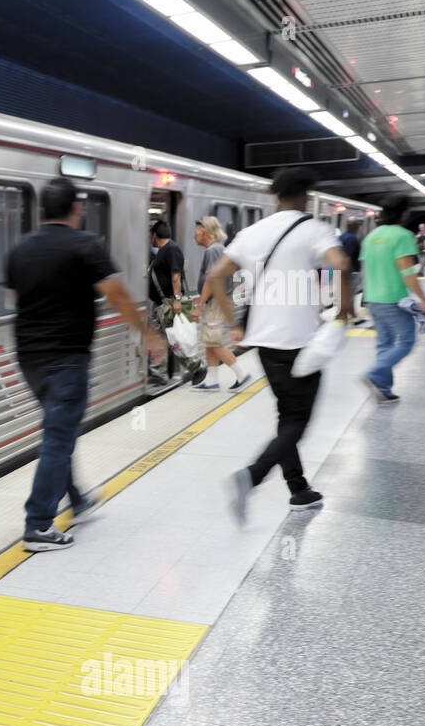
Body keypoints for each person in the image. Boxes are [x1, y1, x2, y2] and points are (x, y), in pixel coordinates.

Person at [7, 178, 165, 551]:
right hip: (68, 358)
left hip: (29, 359)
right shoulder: (86, 246)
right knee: (59, 437)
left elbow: (15, 297)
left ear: (42, 210)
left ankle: (76, 499)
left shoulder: (19, 250)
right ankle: (38, 524)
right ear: (75, 210)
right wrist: (147, 333)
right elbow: (118, 295)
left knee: (58, 430)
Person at [202, 167, 353, 521]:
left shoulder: (252, 232)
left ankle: (299, 490)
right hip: (301, 342)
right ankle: (251, 476)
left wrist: (234, 323)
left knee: (288, 415)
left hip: (265, 345)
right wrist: (345, 308)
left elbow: (214, 275)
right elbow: (341, 264)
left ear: (276, 196)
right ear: (305, 197)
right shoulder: (315, 229)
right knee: (298, 420)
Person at [360, 195, 425, 404]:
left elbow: (364, 271)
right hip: (393, 299)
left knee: (384, 344)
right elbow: (407, 272)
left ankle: (384, 389)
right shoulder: (402, 235)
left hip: (373, 299)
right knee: (407, 341)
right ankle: (375, 373)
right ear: (404, 213)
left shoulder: (371, 237)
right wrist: (423, 299)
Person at [191, 216, 249, 391]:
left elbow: (211, 279)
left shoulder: (213, 250)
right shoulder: (215, 249)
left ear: (205, 231)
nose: (194, 236)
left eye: (196, 232)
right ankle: (212, 380)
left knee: (214, 342)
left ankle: (241, 374)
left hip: (216, 300)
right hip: (216, 300)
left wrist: (199, 306)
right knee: (210, 340)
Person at [147, 221, 196, 385]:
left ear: (154, 235)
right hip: (163, 303)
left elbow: (176, 276)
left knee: (168, 338)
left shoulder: (171, 249)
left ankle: (192, 368)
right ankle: (163, 371)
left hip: (168, 303)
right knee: (167, 337)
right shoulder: (164, 250)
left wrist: (176, 300)